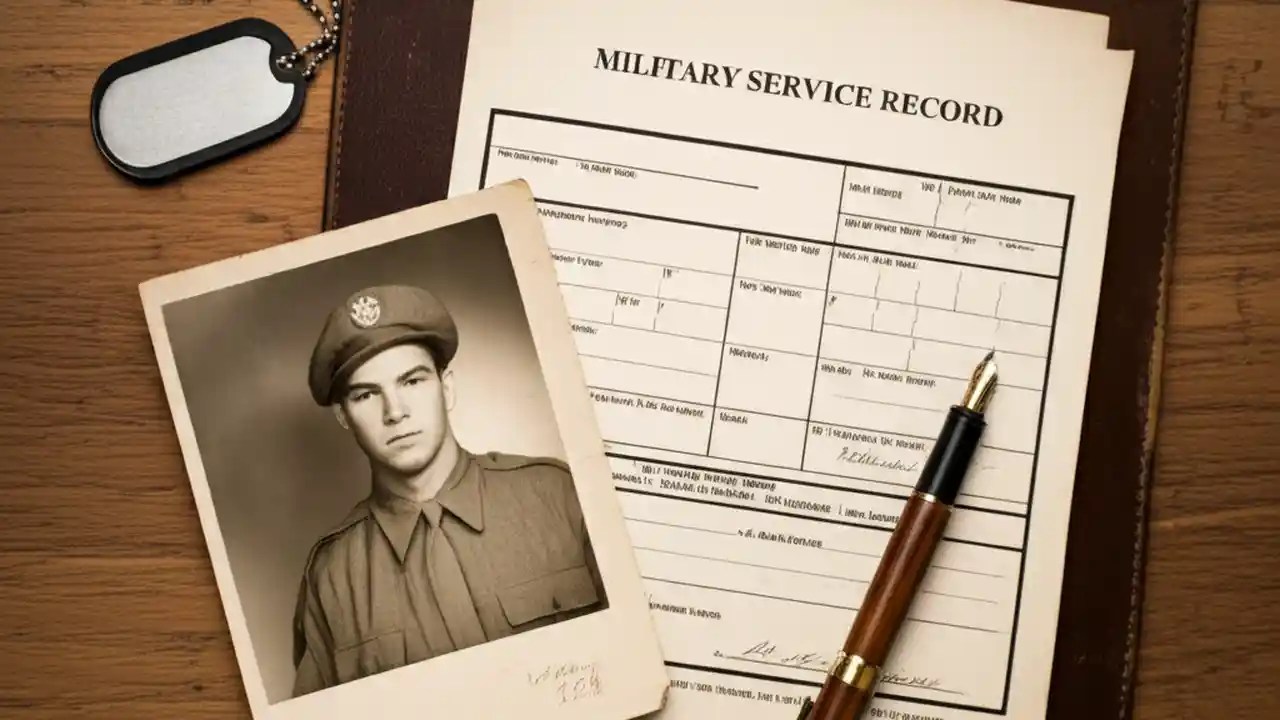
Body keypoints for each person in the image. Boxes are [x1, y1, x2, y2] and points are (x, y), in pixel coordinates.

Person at [291, 284, 605, 697]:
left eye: (412, 381)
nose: (395, 412)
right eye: (367, 394)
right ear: (344, 417)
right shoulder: (331, 574)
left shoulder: (559, 495)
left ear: (447, 387)